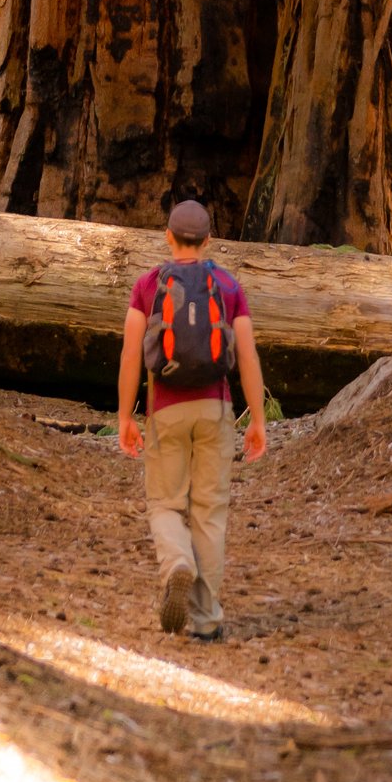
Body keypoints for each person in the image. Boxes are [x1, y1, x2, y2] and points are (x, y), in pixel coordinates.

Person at [117, 197, 269, 640]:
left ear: (168, 237)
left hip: (165, 409)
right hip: (215, 409)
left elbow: (131, 355)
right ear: (207, 240)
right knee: (209, 512)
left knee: (165, 504)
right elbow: (246, 354)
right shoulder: (227, 285)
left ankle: (177, 560)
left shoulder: (148, 284)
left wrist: (126, 414)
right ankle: (206, 620)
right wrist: (256, 418)